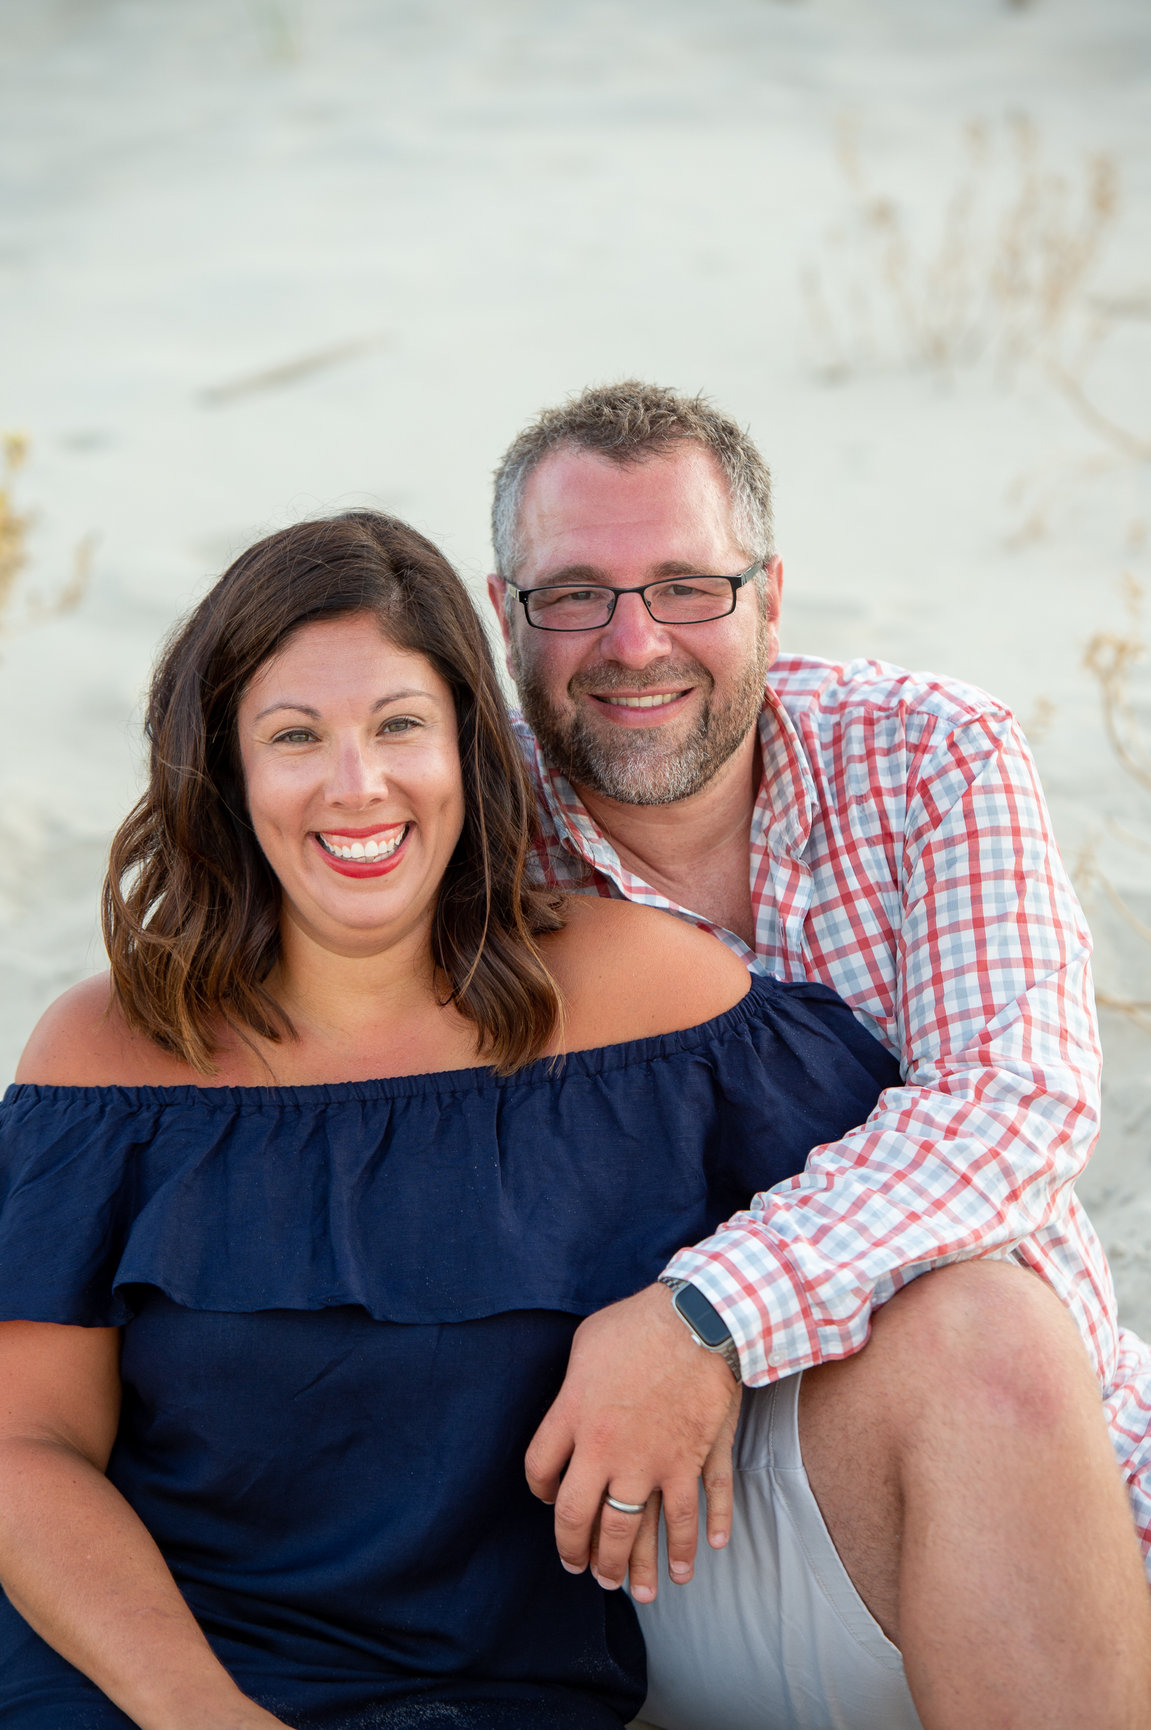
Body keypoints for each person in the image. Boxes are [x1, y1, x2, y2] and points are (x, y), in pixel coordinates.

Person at [0, 510, 902, 1730]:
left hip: (500, 1698)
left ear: (468, 747)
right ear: (225, 770)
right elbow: (28, 1448)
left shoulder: (646, 1005)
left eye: (398, 725)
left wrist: (701, 1319)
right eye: (293, 735)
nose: (356, 783)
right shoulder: (107, 1051)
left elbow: (904, 1210)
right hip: (136, 1681)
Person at [485, 380, 1151, 1729]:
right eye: (572, 594)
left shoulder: (927, 757)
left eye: (684, 584)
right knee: (978, 1321)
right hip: (667, 1531)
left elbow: (1011, 1106)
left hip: (1059, 1440)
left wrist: (704, 1315)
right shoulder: (461, 833)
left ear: (768, 596)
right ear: (505, 615)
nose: (632, 641)